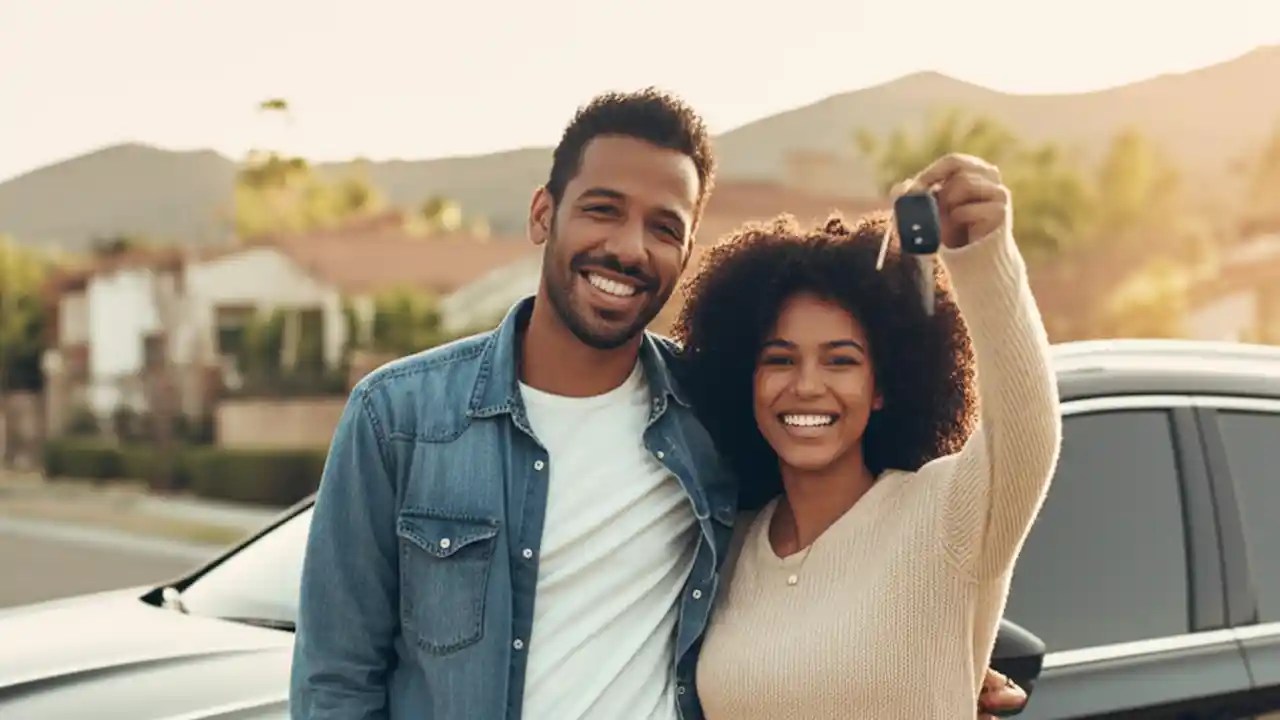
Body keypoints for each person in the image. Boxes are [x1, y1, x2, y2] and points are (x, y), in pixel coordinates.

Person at [289, 89, 1029, 720]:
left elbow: (844, 550)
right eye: (602, 210)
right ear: (544, 213)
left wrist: (947, 656)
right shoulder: (400, 419)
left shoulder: (712, 416)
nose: (628, 248)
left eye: (664, 227)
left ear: (687, 249)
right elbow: (336, 683)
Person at [675, 155, 1062, 718]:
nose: (807, 386)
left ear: (882, 387)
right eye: (780, 360)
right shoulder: (727, 547)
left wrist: (981, 255)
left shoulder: (944, 515)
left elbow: (1027, 427)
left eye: (841, 361)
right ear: (747, 382)